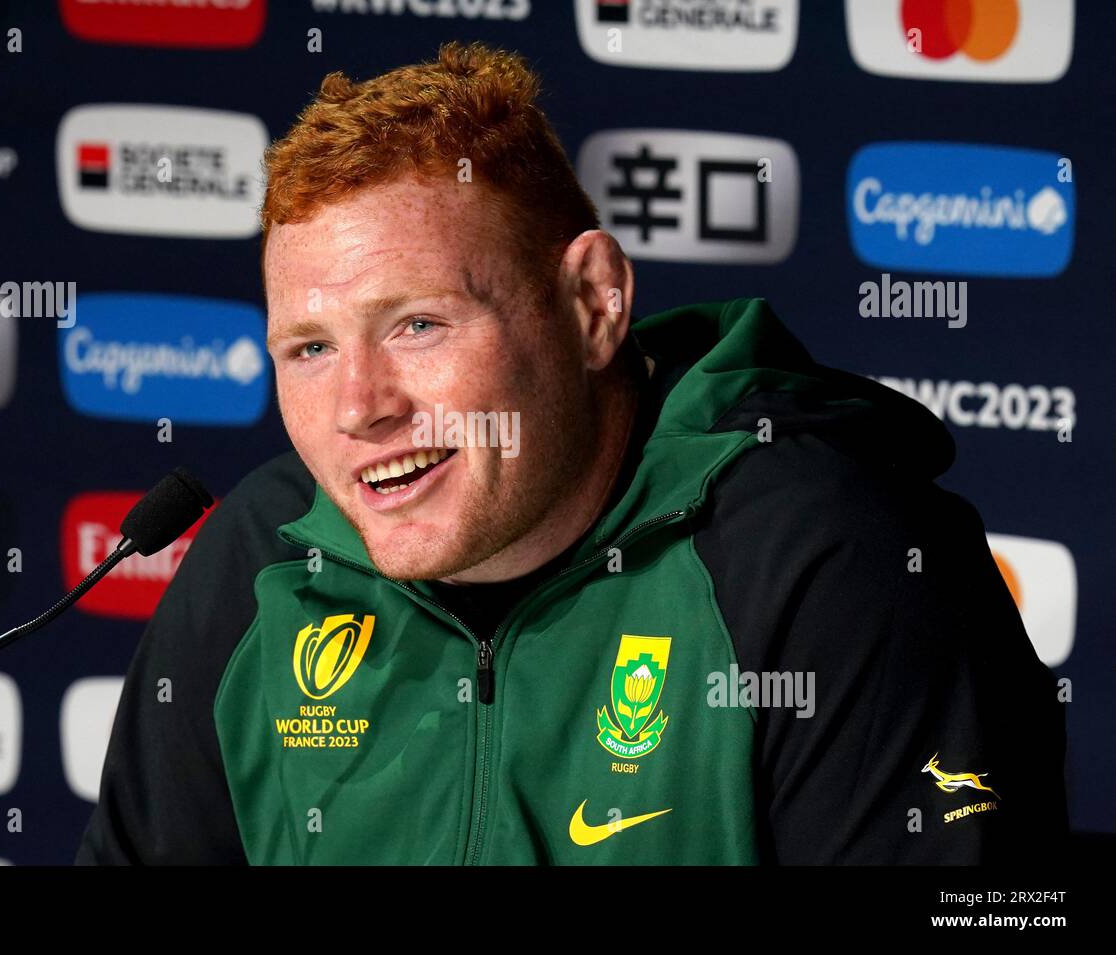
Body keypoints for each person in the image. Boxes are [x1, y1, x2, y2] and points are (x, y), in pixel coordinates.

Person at [76, 41, 1067, 865]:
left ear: (593, 303)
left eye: (419, 324)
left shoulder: (832, 563)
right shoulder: (266, 557)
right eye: (311, 348)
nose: (359, 408)